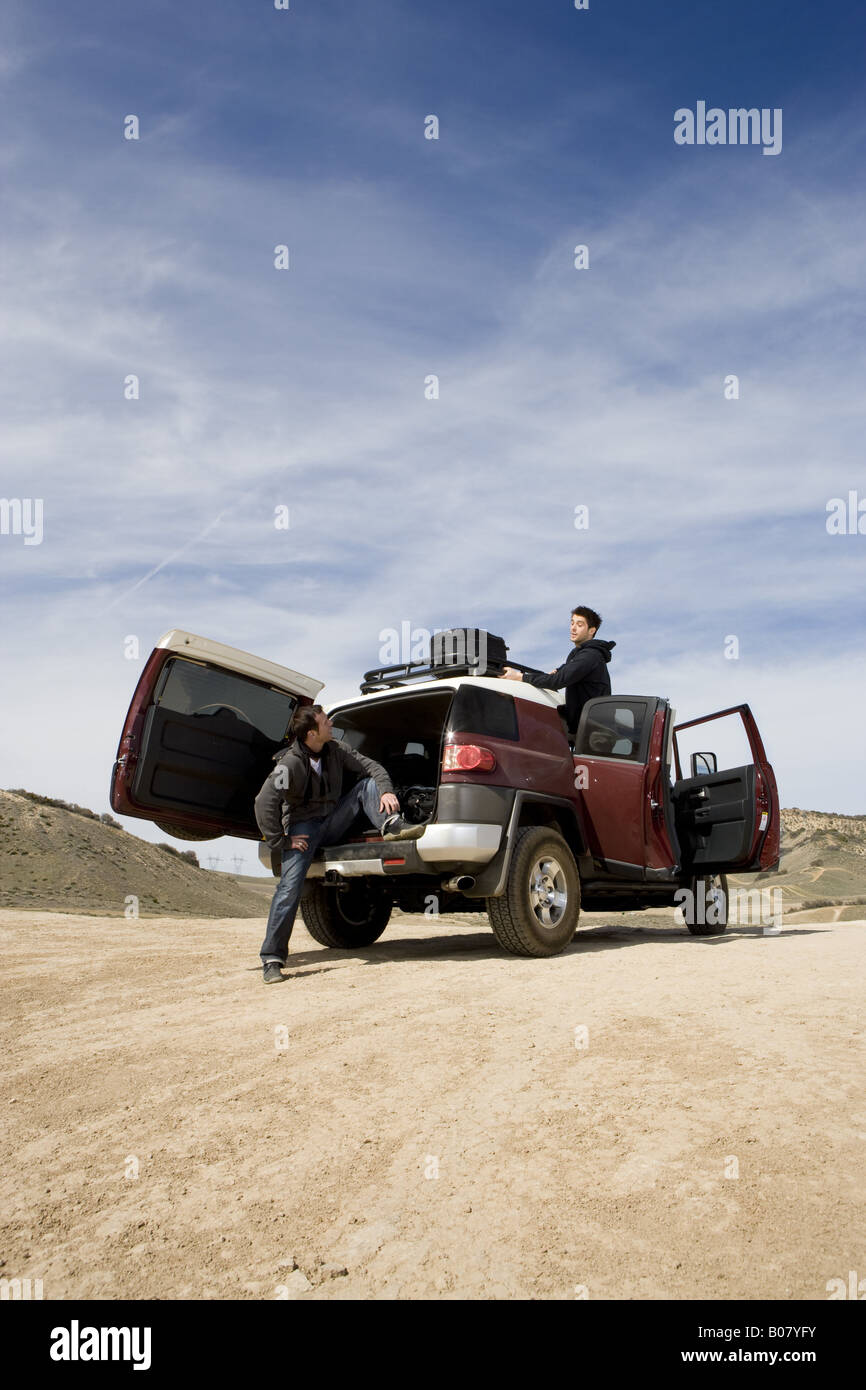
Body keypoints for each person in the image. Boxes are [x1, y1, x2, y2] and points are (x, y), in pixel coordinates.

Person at [255, 704, 420, 983]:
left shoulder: (336, 749)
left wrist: (387, 792)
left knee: (366, 786)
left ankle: (390, 825)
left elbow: (372, 767)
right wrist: (281, 841)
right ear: (311, 733)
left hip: (333, 820)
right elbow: (264, 802)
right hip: (303, 830)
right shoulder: (290, 764)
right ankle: (272, 959)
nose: (330, 723)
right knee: (289, 888)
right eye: (324, 721)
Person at [499, 605, 616, 738]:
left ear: (591, 631)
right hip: (585, 730)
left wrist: (520, 677)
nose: (573, 628)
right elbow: (554, 676)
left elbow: (558, 681)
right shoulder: (578, 655)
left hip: (596, 733)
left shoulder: (590, 656)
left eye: (579, 624)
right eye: (572, 623)